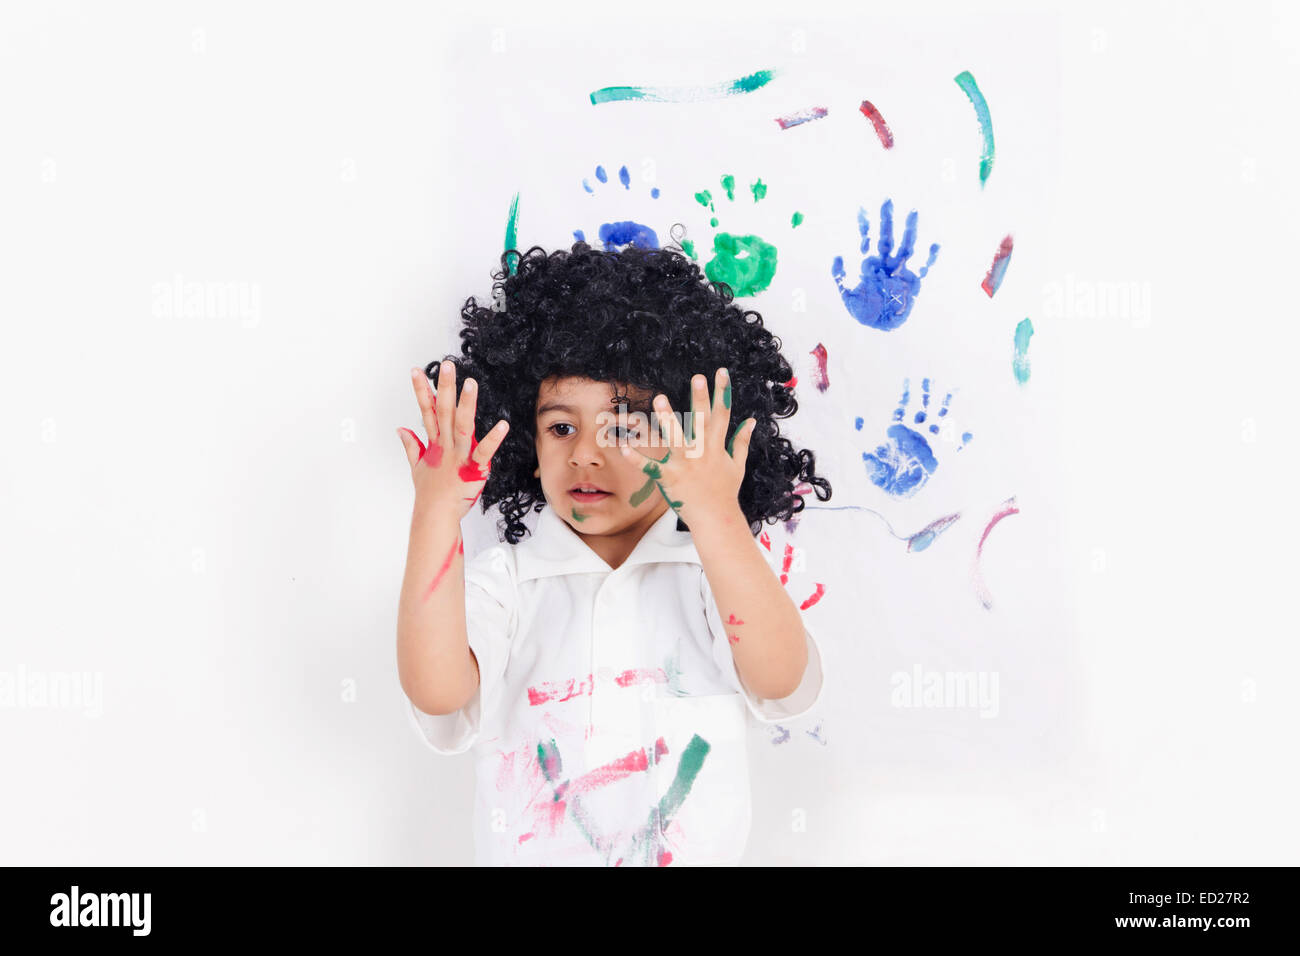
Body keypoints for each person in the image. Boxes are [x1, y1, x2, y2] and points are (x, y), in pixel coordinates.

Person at [395, 238, 832, 866]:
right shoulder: (508, 585)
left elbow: (783, 680)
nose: (585, 455)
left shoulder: (715, 573)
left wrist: (714, 514)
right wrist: (435, 513)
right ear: (526, 436)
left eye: (625, 428)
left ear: (688, 435)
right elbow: (438, 693)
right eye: (561, 426)